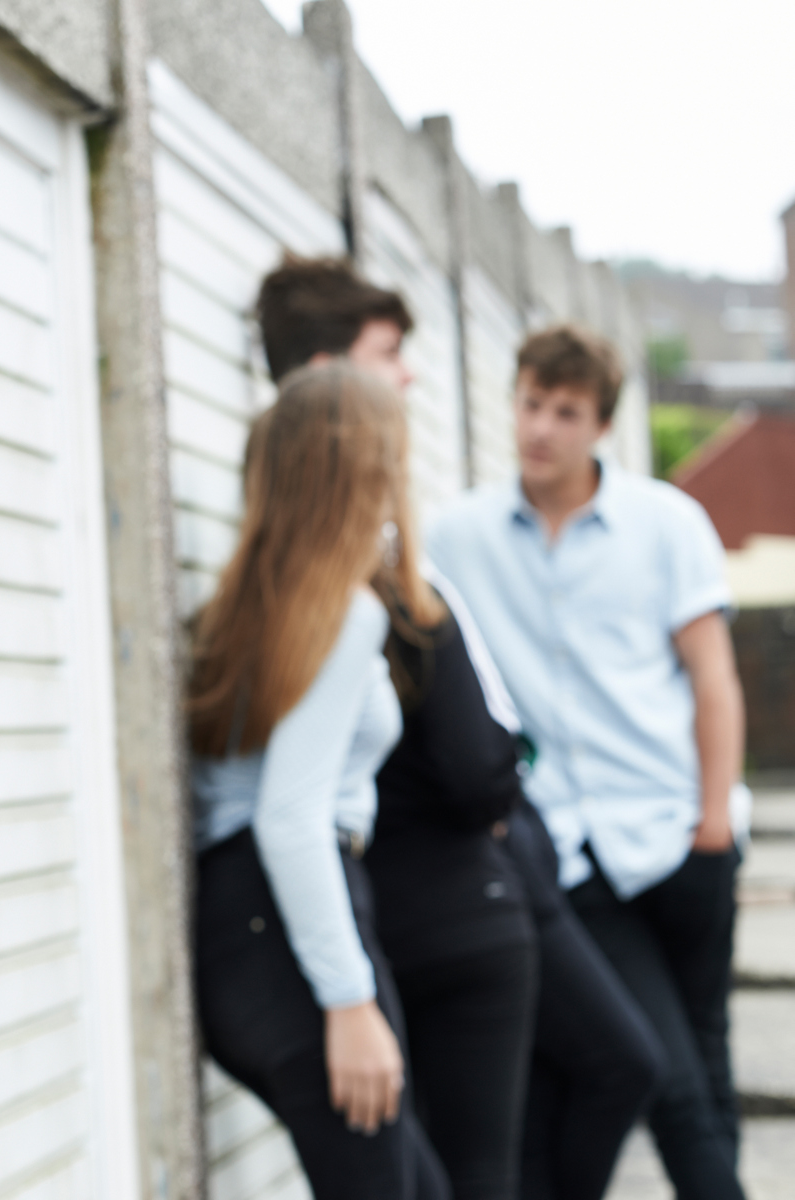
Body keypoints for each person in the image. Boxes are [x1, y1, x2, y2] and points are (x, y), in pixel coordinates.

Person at [256, 257, 659, 1200]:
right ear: (326, 375)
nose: (411, 378)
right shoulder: (346, 575)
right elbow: (315, 798)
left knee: (566, 1099)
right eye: (389, 355)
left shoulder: (377, 548)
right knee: (500, 1148)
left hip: (494, 867)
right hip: (450, 886)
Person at [430, 324, 746, 1200]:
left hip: (682, 836)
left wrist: (712, 827)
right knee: (667, 1082)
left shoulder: (666, 524)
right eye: (530, 404)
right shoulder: (456, 537)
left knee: (707, 1075)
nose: (540, 428)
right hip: (570, 855)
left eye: (564, 412)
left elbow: (712, 680)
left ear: (600, 423)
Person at [188, 362, 449, 1200]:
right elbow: (289, 817)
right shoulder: (345, 610)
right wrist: (349, 1001)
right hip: (292, 931)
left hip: (246, 929)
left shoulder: (242, 608)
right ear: (365, 470)